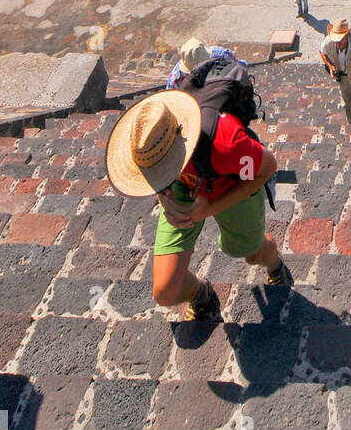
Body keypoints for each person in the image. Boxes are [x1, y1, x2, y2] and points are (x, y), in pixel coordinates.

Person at [105, 83, 289, 324]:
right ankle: (202, 295)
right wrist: (164, 198)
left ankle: (274, 263)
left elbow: (266, 168)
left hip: (229, 184)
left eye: (163, 168)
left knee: (249, 252)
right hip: (180, 191)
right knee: (165, 290)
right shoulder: (145, 140)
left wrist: (211, 208)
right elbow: (152, 169)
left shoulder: (227, 144)